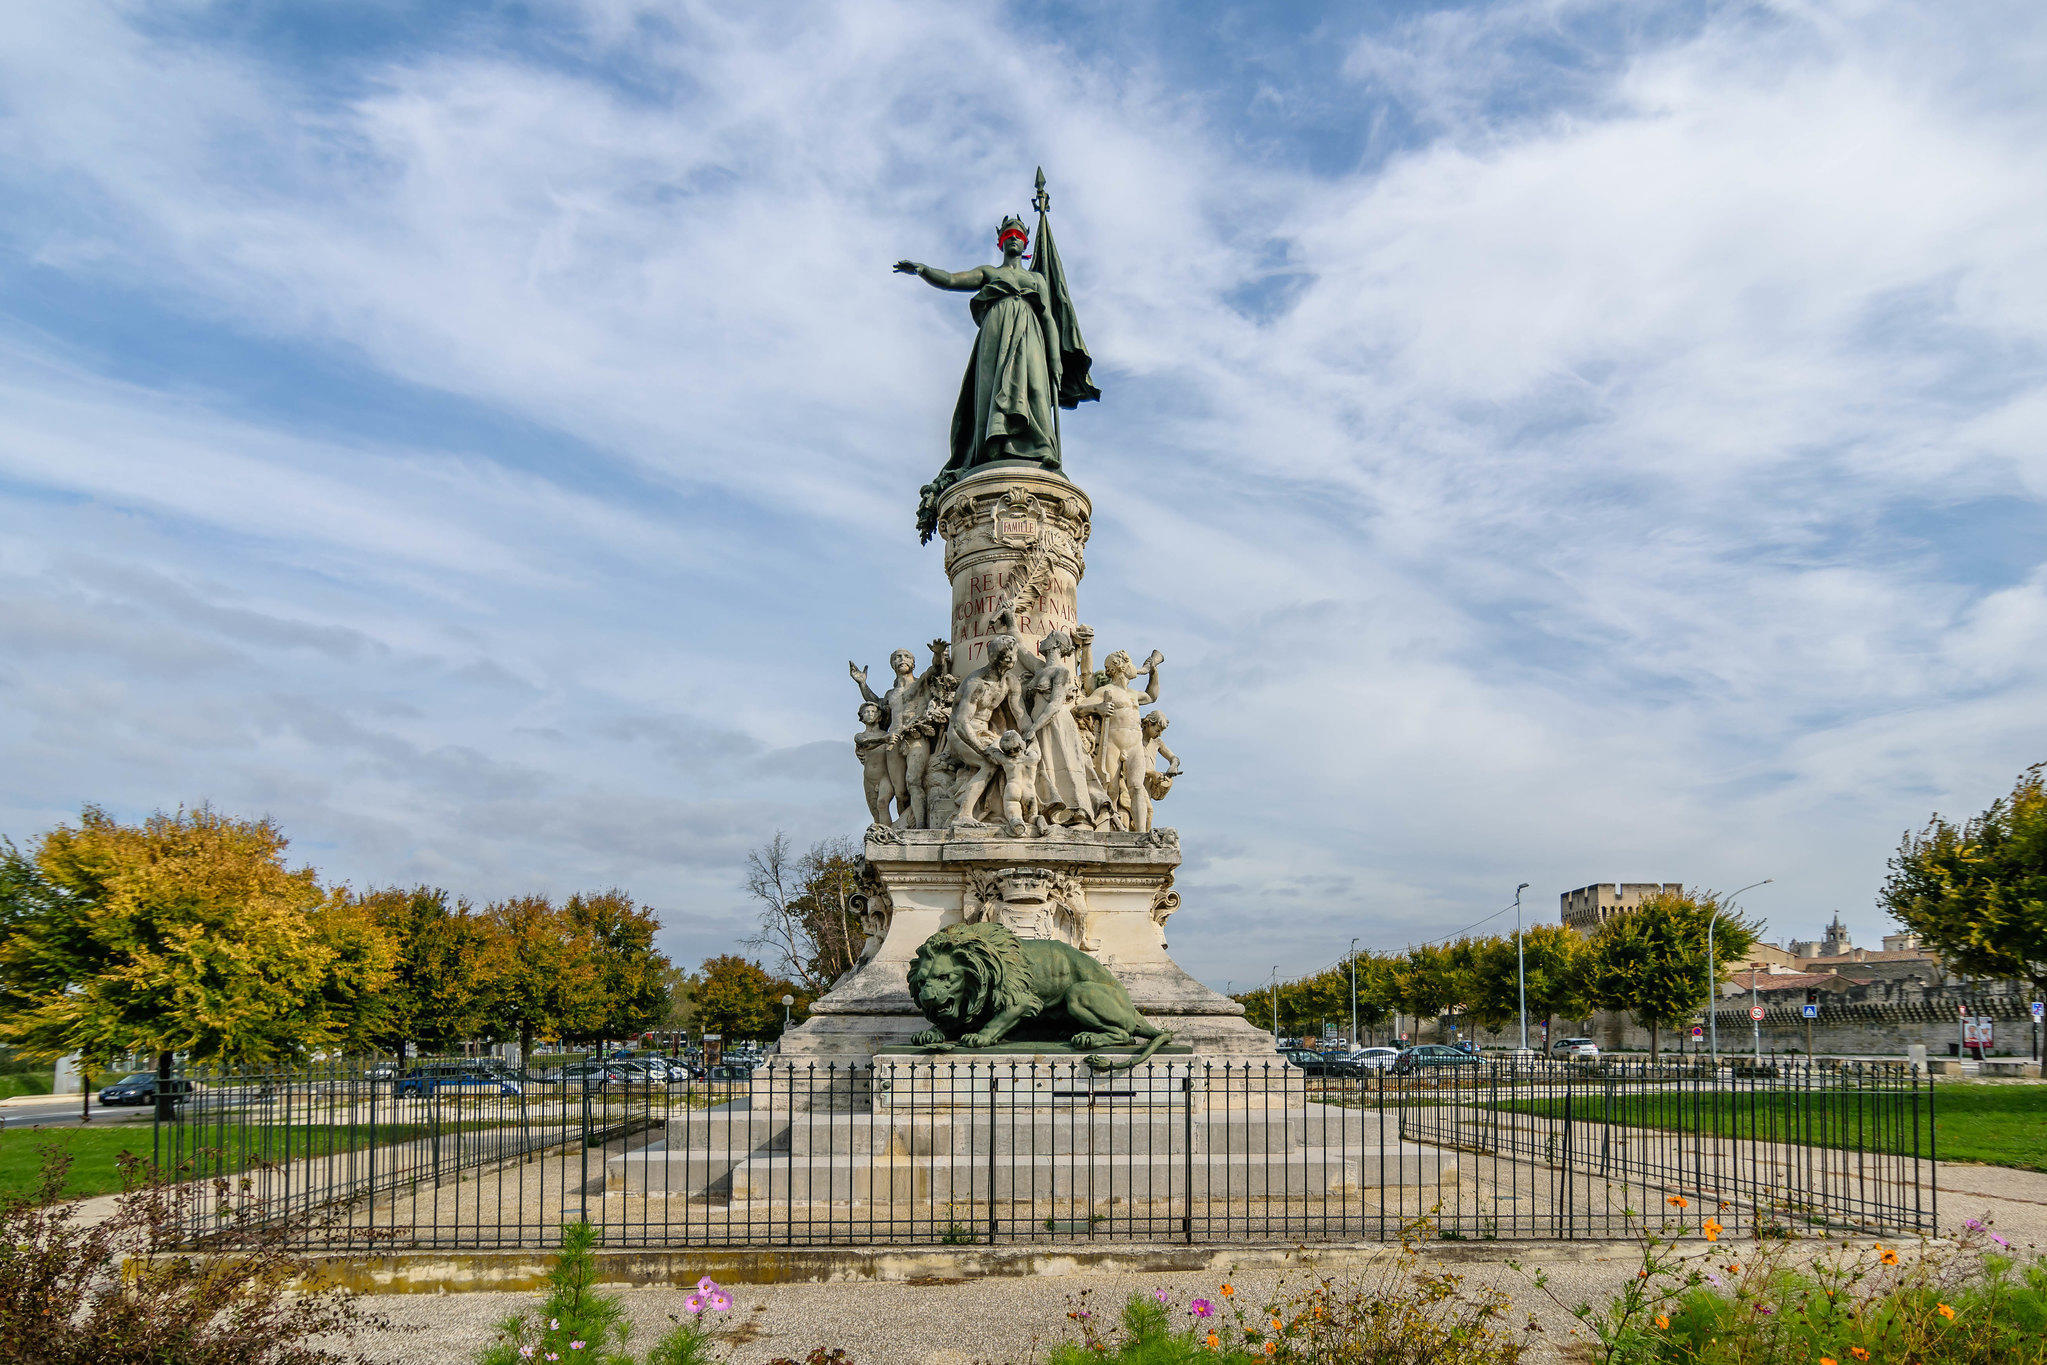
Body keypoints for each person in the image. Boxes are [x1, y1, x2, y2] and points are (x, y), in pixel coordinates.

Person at [849, 639, 950, 826]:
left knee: (914, 782)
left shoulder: (921, 683)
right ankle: (906, 828)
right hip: (893, 741)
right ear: (893, 665)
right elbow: (878, 704)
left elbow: (935, 669)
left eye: (906, 656)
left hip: (916, 736)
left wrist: (937, 653)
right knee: (900, 792)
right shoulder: (891, 694)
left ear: (913, 663)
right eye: (897, 657)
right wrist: (862, 684)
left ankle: (920, 828)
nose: (901, 659)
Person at [1021, 629, 1111, 827]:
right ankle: (1052, 812)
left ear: (1054, 645)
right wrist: (1011, 620)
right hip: (1042, 723)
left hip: (1055, 721)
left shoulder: (1061, 671)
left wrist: (1034, 727)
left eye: (1046, 639)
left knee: (1066, 764)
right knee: (1049, 765)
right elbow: (1021, 650)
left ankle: (1078, 813)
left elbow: (1055, 703)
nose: (1041, 641)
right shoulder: (1041, 669)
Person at [1074, 647, 1165, 831]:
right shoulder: (1106, 691)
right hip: (1113, 744)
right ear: (1120, 666)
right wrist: (1098, 708)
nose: (1133, 666)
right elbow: (1078, 709)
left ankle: (1141, 833)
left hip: (1134, 746)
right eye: (1129, 662)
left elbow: (1152, 696)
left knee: (1137, 788)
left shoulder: (1133, 694)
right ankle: (1109, 829)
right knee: (1111, 790)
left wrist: (1153, 670)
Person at [853, 702, 894, 825]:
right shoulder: (860, 736)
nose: (870, 714)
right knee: (875, 813)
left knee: (882, 804)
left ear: (879, 716)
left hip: (885, 777)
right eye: (866, 712)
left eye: (873, 711)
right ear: (862, 717)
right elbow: (866, 743)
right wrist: (882, 740)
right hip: (869, 778)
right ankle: (881, 839)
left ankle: (887, 837)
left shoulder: (887, 735)